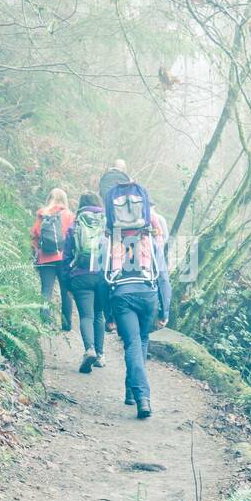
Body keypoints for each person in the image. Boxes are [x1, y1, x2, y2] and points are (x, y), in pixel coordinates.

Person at [103, 177, 170, 419]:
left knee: (132, 344)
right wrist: (165, 311)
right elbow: (163, 277)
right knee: (140, 341)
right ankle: (135, 394)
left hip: (122, 295)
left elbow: (103, 279)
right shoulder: (150, 240)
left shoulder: (110, 240)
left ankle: (140, 395)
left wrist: (108, 315)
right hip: (148, 294)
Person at [63, 192, 109, 373]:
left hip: (81, 276)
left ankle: (89, 349)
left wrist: (67, 284)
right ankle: (100, 355)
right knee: (99, 315)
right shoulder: (107, 224)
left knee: (86, 316)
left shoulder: (75, 225)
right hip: (102, 275)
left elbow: (66, 257)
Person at [30, 188, 74, 330]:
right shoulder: (68, 215)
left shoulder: (43, 214)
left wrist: (36, 250)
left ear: (49, 198)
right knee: (66, 290)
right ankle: (66, 324)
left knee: (46, 290)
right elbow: (73, 236)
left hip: (45, 257)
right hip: (64, 258)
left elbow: (34, 234)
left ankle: (45, 323)